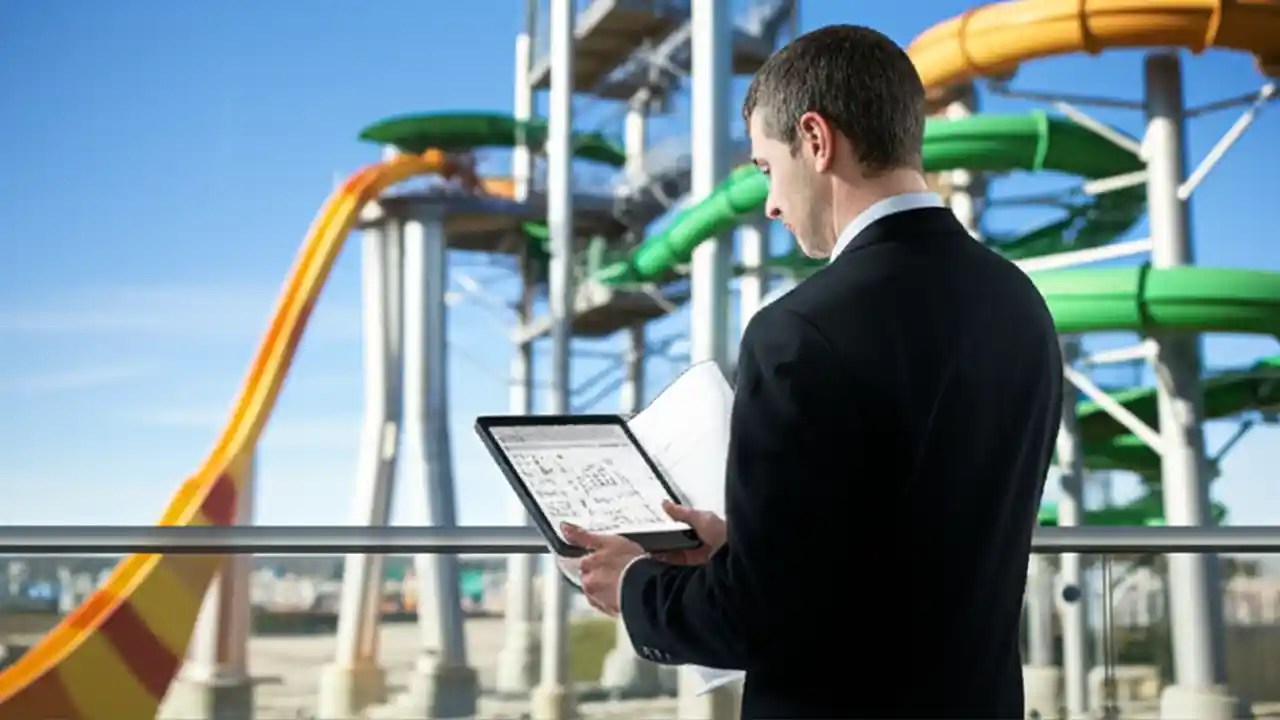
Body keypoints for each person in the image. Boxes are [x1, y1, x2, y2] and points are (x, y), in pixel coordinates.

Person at [562, 23, 1063, 719]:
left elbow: (759, 620)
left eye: (768, 166)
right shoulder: (1019, 303)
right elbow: (906, 542)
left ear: (817, 141)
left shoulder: (798, 331)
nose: (769, 202)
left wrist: (635, 586)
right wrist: (745, 549)